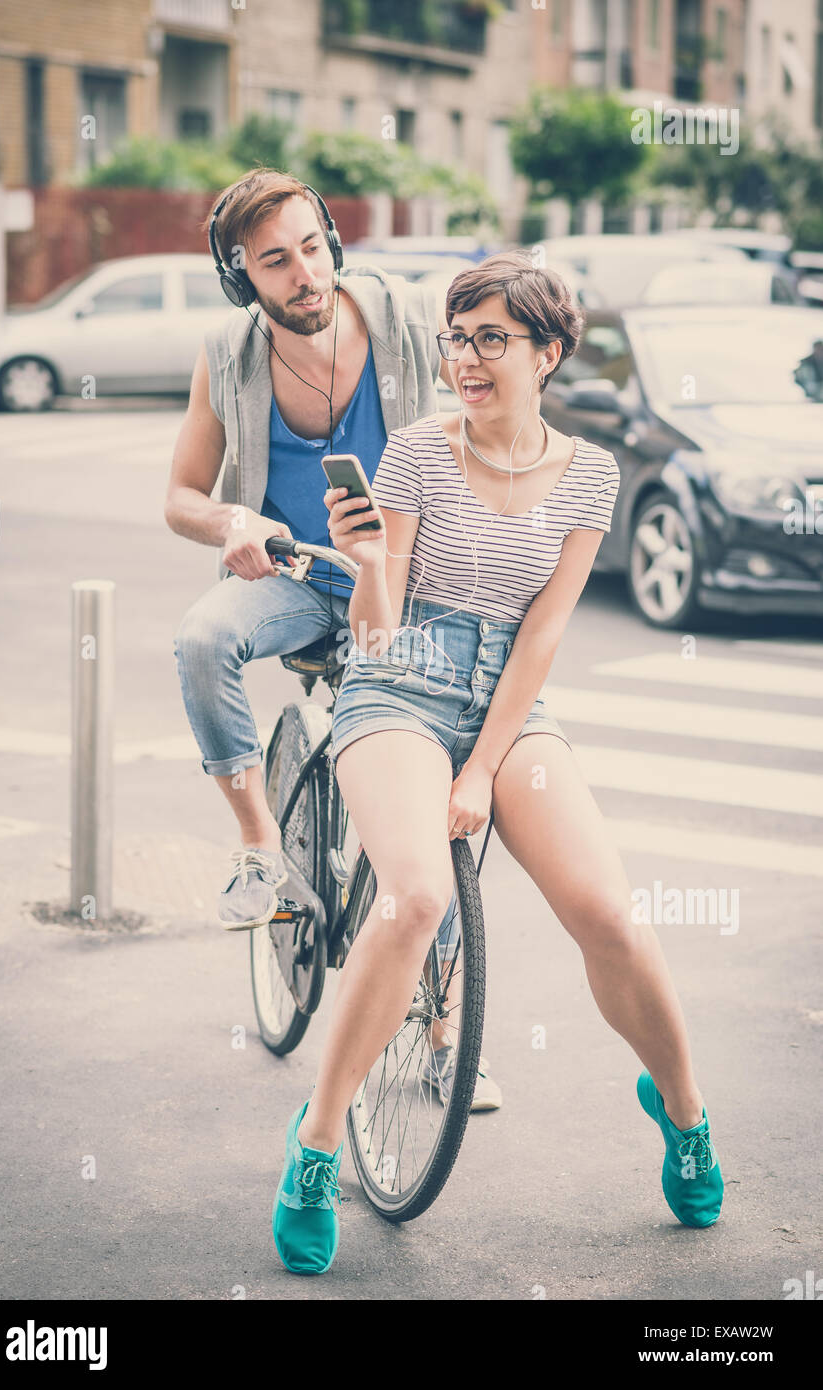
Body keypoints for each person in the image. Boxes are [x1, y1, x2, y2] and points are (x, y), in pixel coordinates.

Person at [272, 252, 724, 1275]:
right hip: (397, 686)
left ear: (548, 352)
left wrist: (479, 770)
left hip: (508, 704)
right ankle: (316, 1141)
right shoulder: (419, 455)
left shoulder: (593, 472)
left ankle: (684, 1108)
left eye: (490, 339)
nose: (466, 359)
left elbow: (544, 634)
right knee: (416, 898)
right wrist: (374, 562)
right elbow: (376, 636)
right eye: (456, 337)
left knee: (608, 911)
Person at [166, 169, 504, 1111]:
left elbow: (489, 411)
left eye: (311, 247)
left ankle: (448, 1038)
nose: (302, 273)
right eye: (275, 261)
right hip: (293, 577)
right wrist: (235, 521)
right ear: (243, 278)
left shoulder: (403, 321)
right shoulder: (225, 354)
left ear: (333, 243)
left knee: (424, 813)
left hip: (402, 584)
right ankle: (259, 849)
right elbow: (179, 498)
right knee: (200, 641)